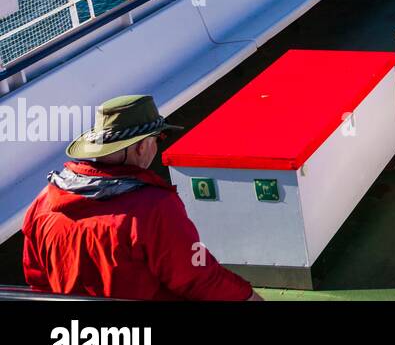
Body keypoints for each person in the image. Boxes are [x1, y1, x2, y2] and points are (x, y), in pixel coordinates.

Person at [22, 94, 259, 300]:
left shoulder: (43, 202)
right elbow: (196, 276)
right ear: (141, 146)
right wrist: (247, 296)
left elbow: (39, 282)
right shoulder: (154, 207)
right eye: (157, 139)